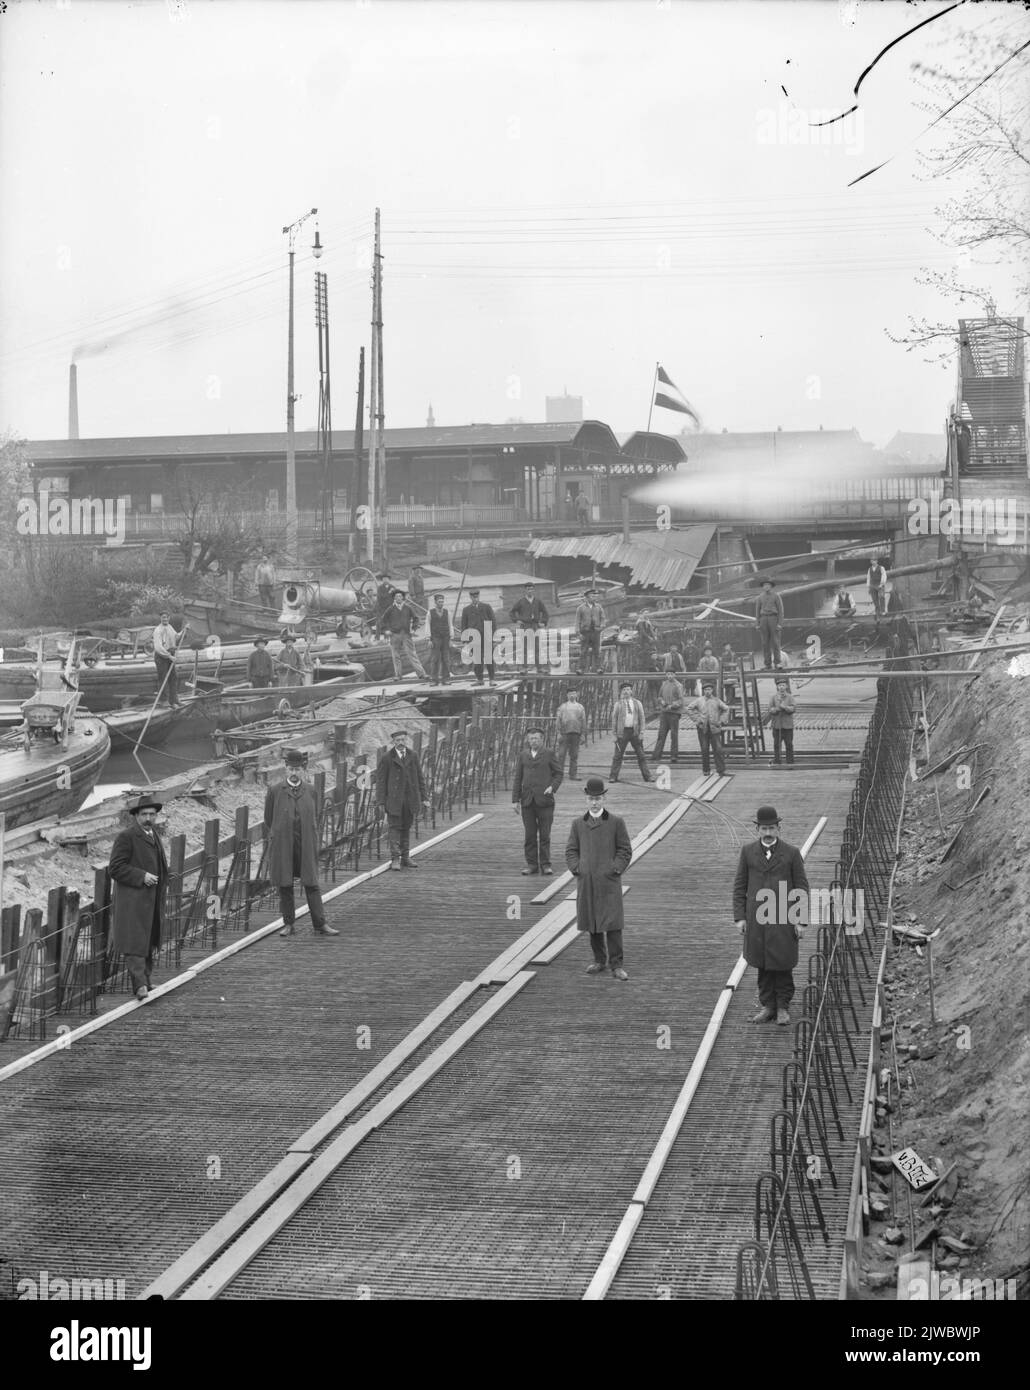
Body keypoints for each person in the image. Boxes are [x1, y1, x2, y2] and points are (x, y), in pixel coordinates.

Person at [733, 806, 808, 1025]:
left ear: (778, 829)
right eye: (764, 828)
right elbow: (740, 886)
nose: (768, 832)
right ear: (758, 829)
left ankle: (783, 1007)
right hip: (757, 919)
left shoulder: (792, 854)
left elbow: (801, 887)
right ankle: (768, 1006)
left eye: (772, 828)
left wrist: (801, 920)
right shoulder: (747, 852)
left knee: (782, 962)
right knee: (763, 964)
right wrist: (740, 917)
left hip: (783, 917)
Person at [264, 750, 339, 938]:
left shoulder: (311, 790)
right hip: (284, 844)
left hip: (305, 843)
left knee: (312, 883)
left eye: (297, 769)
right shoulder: (275, 791)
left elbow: (317, 813)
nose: (294, 772)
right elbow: (268, 819)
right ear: (285, 770)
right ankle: (289, 923)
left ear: (303, 770)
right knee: (285, 883)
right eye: (290, 769)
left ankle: (320, 924)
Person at [566, 776, 633, 981]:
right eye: (591, 799)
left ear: (604, 799)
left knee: (613, 923)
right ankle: (599, 960)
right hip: (587, 882)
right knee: (592, 922)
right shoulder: (578, 824)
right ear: (586, 800)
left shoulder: (615, 822)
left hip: (609, 881)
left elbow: (625, 850)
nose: (594, 802)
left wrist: (615, 868)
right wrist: (578, 868)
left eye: (598, 798)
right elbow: (571, 850)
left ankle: (617, 964)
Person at [108, 793, 168, 1000]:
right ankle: (139, 986)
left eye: (152, 814)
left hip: (151, 899)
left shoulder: (153, 835)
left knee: (149, 939)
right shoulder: (127, 836)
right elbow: (115, 868)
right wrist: (141, 876)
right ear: (136, 816)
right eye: (144, 814)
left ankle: (147, 980)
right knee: (135, 943)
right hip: (133, 901)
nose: (148, 818)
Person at [376, 729, 431, 870]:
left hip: (410, 799)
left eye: (403, 740)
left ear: (406, 740)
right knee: (394, 828)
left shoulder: (413, 755)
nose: (400, 743)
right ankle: (395, 859)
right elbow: (381, 782)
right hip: (394, 800)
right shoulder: (387, 758)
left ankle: (405, 857)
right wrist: (381, 802)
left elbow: (420, 777)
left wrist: (424, 797)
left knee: (406, 827)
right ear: (393, 742)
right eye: (397, 740)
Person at [512, 725, 563, 875]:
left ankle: (546, 864)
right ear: (527, 740)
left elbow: (558, 774)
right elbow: (518, 778)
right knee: (530, 835)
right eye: (530, 738)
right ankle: (532, 865)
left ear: (542, 739)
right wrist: (515, 800)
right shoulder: (523, 755)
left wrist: (552, 787)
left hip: (545, 801)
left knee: (545, 834)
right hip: (527, 800)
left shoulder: (548, 754)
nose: (533, 741)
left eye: (536, 738)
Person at [609, 681, 653, 784]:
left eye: (628, 689)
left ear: (631, 691)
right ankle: (613, 777)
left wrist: (642, 732)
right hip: (622, 732)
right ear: (621, 691)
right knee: (618, 756)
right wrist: (614, 735)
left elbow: (642, 718)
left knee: (641, 755)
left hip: (635, 732)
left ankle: (648, 776)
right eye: (624, 690)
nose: (626, 692)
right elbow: (614, 719)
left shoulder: (637, 703)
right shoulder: (618, 704)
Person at [685, 681, 730, 776]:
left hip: (715, 729)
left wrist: (721, 720)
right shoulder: (699, 700)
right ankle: (706, 770)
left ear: (712, 690)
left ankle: (721, 770)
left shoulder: (717, 700)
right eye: (705, 690)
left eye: (709, 689)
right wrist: (697, 719)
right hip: (703, 729)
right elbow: (689, 708)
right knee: (704, 749)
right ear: (703, 691)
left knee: (718, 749)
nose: (707, 691)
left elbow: (726, 709)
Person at [381, 590, 428, 680]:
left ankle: (421, 674)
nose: (398, 598)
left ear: (402, 597)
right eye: (396, 596)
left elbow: (416, 618)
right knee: (396, 656)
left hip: (406, 634)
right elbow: (383, 621)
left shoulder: (408, 608)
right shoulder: (390, 609)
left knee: (412, 654)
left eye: (400, 596)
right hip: (394, 635)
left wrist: (414, 629)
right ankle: (398, 675)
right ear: (394, 598)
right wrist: (386, 630)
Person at [509, 583, 549, 673]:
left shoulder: (538, 601)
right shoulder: (521, 601)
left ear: (534, 590)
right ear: (525, 590)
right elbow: (512, 612)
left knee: (537, 647)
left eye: (531, 589)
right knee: (524, 648)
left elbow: (545, 612)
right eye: (528, 589)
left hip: (535, 626)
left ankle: (539, 667)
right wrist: (516, 620)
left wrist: (543, 622)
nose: (530, 591)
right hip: (525, 626)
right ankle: (524, 667)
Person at [461, 587, 496, 684]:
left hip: (487, 637)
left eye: (476, 597)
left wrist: (493, 636)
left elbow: (493, 622)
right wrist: (465, 641)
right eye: (473, 597)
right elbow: (464, 625)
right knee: (477, 660)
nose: (475, 599)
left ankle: (492, 679)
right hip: (474, 639)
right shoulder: (466, 610)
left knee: (489, 659)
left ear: (479, 596)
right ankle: (479, 679)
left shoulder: (486, 607)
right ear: (470, 597)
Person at [651, 672, 685, 764]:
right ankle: (656, 755)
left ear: (675, 675)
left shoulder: (678, 685)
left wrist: (672, 706)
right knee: (661, 735)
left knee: (674, 736)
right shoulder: (664, 684)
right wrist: (662, 701)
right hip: (664, 713)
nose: (669, 676)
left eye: (671, 674)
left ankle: (674, 756)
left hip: (674, 713)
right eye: (668, 674)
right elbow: (659, 696)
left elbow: (681, 700)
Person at [556, 685, 587, 781]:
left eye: (574, 693)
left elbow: (583, 721)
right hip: (564, 733)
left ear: (577, 695)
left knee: (574, 755)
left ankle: (573, 775)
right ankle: (559, 775)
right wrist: (558, 733)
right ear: (567, 695)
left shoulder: (580, 707)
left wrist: (582, 735)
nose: (572, 695)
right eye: (570, 694)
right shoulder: (562, 707)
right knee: (561, 755)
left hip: (576, 733)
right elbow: (558, 720)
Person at [152, 610, 181, 708]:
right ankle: (164, 701)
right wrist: (169, 656)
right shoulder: (157, 630)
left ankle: (174, 700)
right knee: (163, 678)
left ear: (169, 618)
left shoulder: (170, 627)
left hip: (170, 655)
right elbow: (158, 648)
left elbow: (176, 637)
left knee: (173, 677)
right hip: (161, 656)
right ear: (160, 618)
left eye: (166, 617)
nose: (165, 619)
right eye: (163, 617)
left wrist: (184, 631)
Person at [765, 677, 796, 766]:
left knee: (789, 744)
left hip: (788, 726)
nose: (781, 687)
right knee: (777, 744)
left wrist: (785, 707)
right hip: (777, 725)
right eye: (779, 685)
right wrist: (777, 709)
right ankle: (777, 760)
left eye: (783, 685)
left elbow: (793, 708)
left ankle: (790, 761)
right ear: (777, 687)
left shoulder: (790, 697)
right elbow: (770, 709)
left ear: (786, 686)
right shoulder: (773, 698)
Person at [754, 579, 784, 670]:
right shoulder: (760, 597)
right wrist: (757, 623)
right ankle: (767, 664)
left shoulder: (776, 596)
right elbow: (757, 611)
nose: (766, 587)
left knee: (775, 642)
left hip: (773, 619)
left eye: (768, 585)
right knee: (765, 643)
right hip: (763, 619)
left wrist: (779, 623)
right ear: (763, 587)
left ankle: (777, 663)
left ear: (771, 586)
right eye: (764, 585)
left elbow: (781, 610)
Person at [576, 588, 606, 674]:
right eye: (592, 596)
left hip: (596, 632)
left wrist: (602, 627)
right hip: (585, 633)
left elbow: (603, 618)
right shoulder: (580, 608)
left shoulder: (599, 607)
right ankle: (581, 669)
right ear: (587, 597)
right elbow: (577, 621)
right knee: (583, 651)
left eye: (595, 596)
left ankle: (599, 668)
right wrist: (578, 633)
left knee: (597, 651)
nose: (594, 598)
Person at [428, 593, 452, 684]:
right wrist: (429, 639)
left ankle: (445, 679)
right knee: (435, 659)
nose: (441, 603)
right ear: (435, 602)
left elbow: (450, 625)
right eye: (439, 602)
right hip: (435, 638)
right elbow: (427, 626)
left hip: (446, 638)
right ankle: (434, 680)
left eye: (442, 601)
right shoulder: (430, 613)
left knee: (446, 659)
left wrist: (451, 639)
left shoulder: (447, 612)